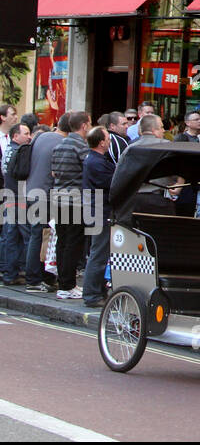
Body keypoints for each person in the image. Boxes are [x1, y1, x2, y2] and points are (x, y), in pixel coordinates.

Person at [50, 110, 92, 300]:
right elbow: (88, 171)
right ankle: (68, 286)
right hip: (75, 200)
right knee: (73, 244)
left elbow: (53, 173)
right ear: (83, 126)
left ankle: (63, 283)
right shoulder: (82, 147)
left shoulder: (59, 146)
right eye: (89, 124)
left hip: (58, 198)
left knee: (62, 241)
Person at [24, 114, 64, 291]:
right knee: (42, 236)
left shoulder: (41, 136)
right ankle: (34, 279)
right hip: (45, 194)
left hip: (32, 191)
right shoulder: (61, 142)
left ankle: (37, 277)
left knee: (37, 235)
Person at [80, 127, 115, 309]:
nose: (110, 141)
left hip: (96, 209)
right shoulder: (96, 162)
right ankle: (92, 294)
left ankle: (97, 291)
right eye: (108, 138)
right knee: (98, 254)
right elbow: (112, 183)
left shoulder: (95, 159)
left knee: (99, 253)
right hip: (99, 211)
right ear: (101, 142)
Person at [1, 121, 33, 285]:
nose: (29, 137)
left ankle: (9, 273)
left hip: (9, 197)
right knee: (23, 236)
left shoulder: (8, 149)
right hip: (18, 199)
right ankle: (22, 272)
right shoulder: (20, 151)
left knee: (10, 237)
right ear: (15, 136)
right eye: (26, 133)